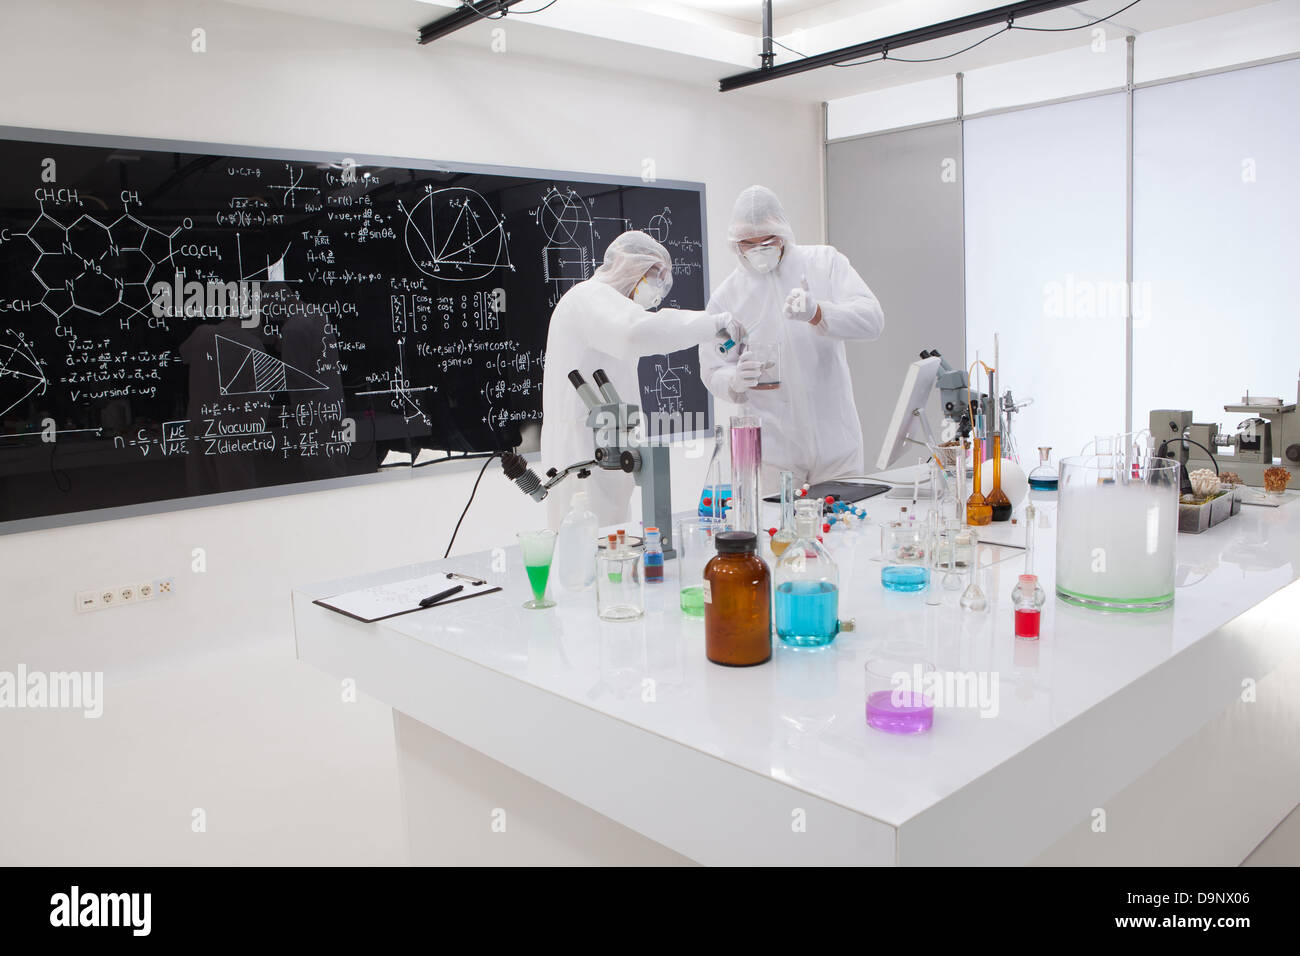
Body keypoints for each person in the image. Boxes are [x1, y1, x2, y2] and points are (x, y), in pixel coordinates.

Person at [540, 231, 741, 528]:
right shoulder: (589, 297)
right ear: (626, 264)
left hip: (608, 442)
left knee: (614, 546)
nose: (657, 287)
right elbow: (636, 333)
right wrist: (712, 324)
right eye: (655, 274)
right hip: (584, 451)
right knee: (588, 548)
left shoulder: (608, 306)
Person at [701, 185, 884, 491]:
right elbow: (712, 367)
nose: (759, 249)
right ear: (736, 244)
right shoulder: (727, 298)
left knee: (847, 533)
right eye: (749, 243)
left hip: (837, 447)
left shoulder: (825, 263)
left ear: (783, 235)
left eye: (768, 241)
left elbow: (872, 319)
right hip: (772, 455)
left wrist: (819, 313)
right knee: (776, 534)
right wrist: (734, 380)